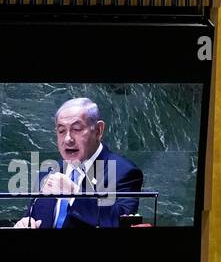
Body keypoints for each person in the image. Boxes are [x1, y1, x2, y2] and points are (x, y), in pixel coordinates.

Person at [15, 97, 143, 229]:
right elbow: (32, 216)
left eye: (76, 129)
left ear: (98, 130)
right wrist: (25, 223)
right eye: (61, 131)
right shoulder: (48, 172)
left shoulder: (124, 172)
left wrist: (74, 193)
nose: (68, 139)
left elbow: (121, 222)